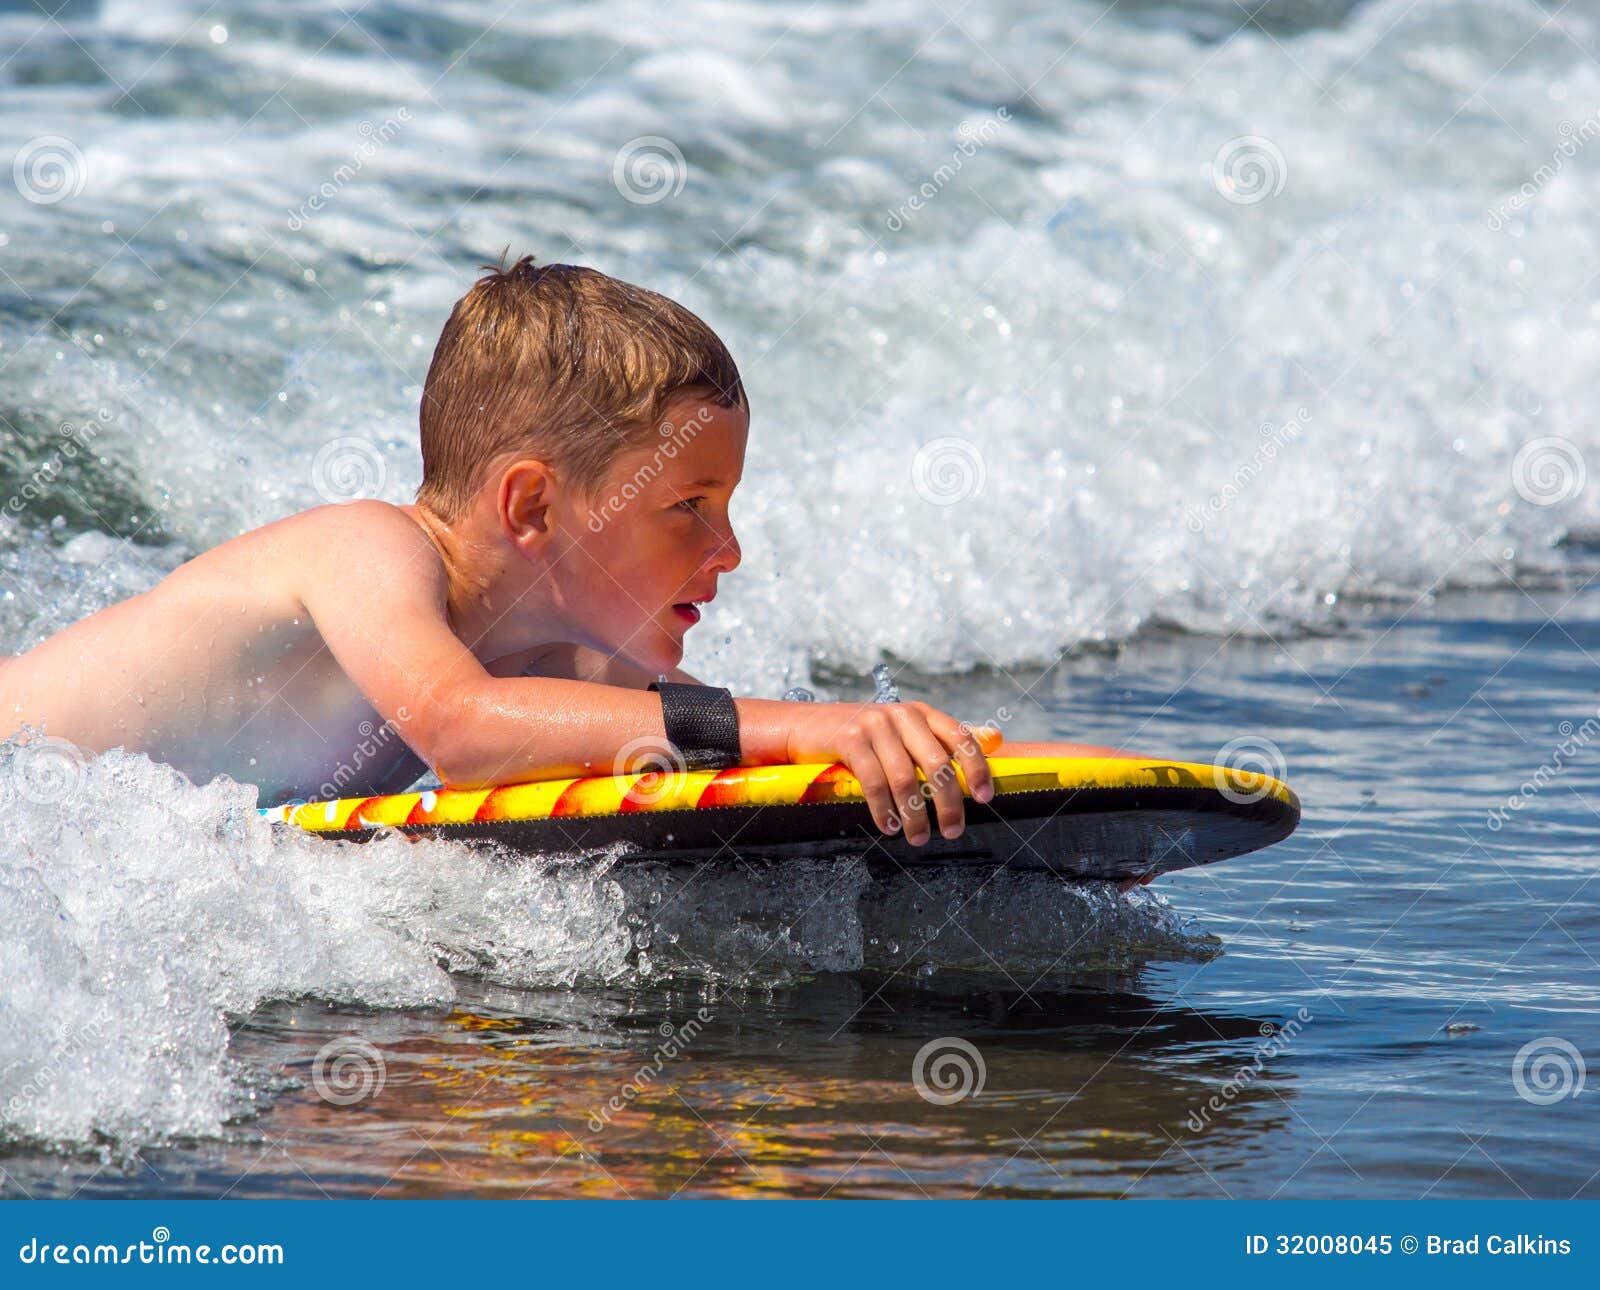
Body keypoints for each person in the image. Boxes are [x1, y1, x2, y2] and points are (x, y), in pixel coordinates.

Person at [0, 255, 1135, 851]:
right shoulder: (363, 550)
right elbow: (460, 730)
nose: (727, 548)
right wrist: (815, 728)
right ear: (532, 505)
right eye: (687, 504)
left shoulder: (546, 663)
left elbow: (736, 732)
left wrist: (1038, 792)